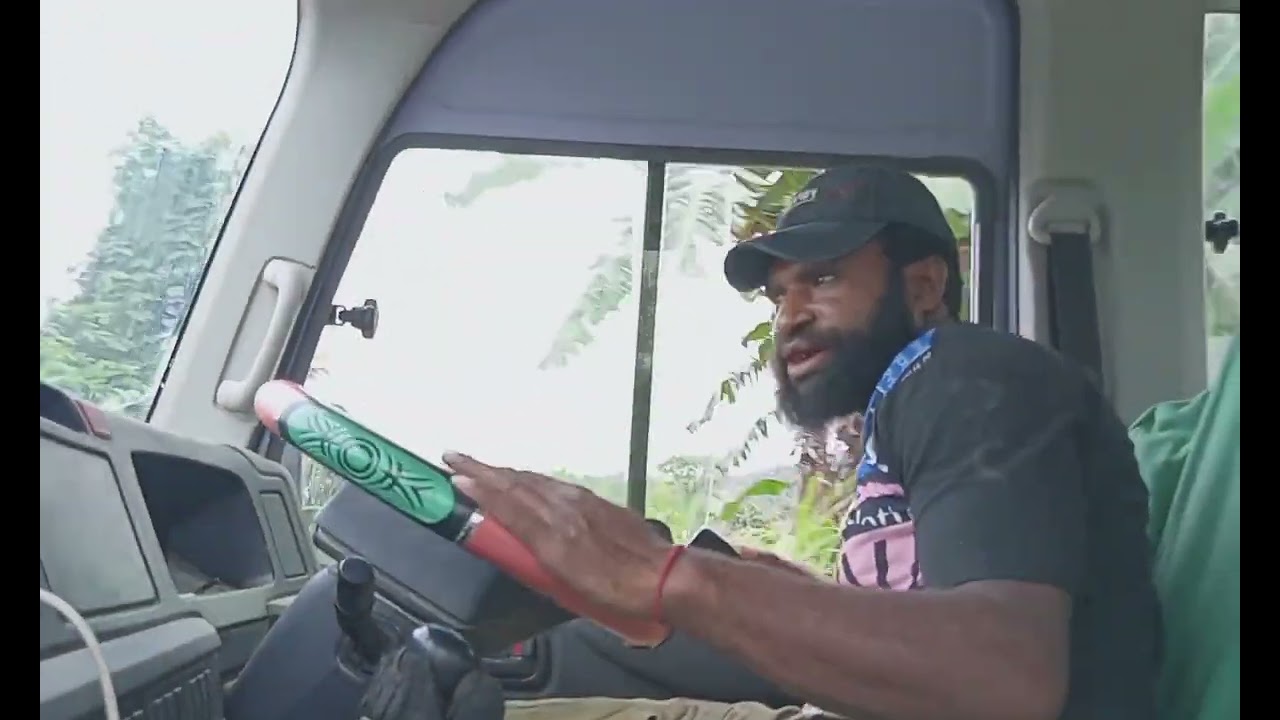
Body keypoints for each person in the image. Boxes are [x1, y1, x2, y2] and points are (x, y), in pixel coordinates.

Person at [440, 165, 1162, 720]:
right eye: (778, 295)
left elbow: (1008, 675)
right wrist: (794, 596)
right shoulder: (915, 398)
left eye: (822, 279)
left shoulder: (964, 374)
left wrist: (666, 576)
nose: (790, 317)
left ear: (924, 286)